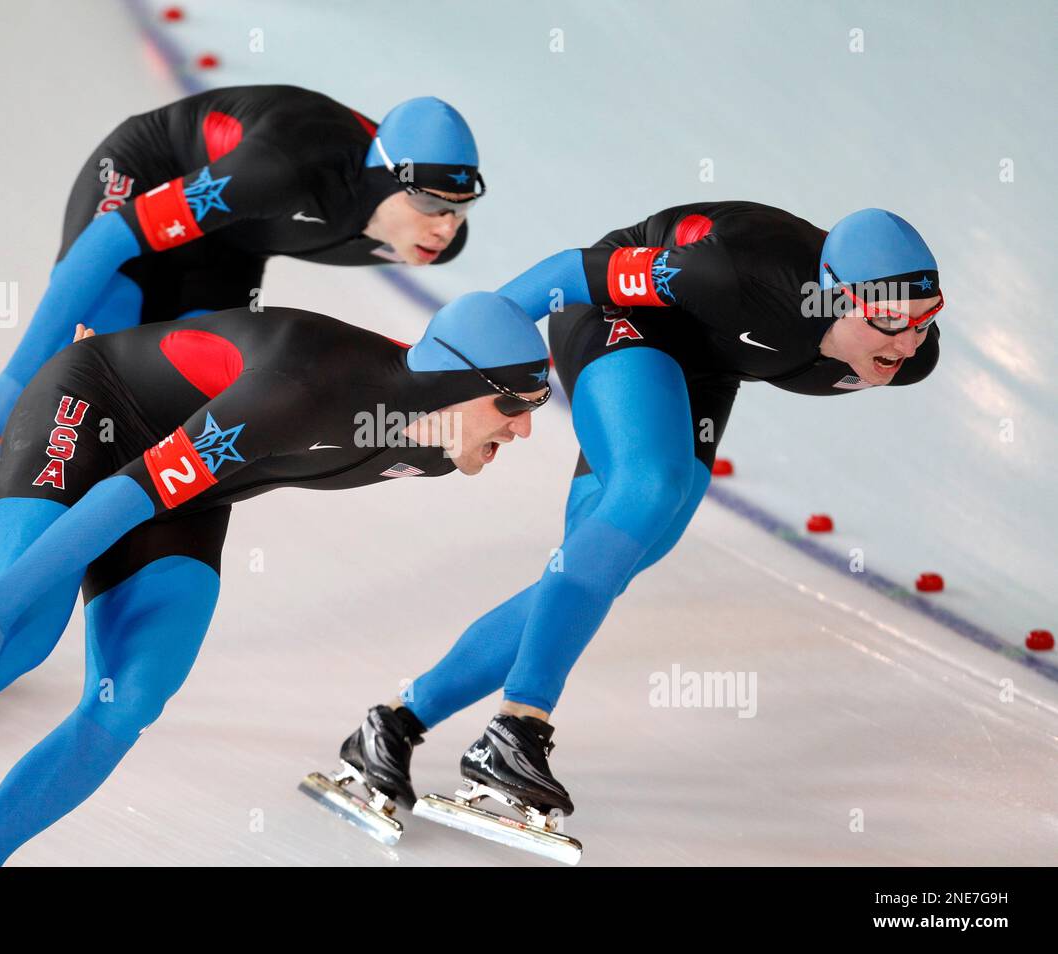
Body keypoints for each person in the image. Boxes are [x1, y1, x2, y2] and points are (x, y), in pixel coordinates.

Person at [0, 291, 550, 867]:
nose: (522, 428)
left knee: (130, 697)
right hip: (91, 414)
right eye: (513, 405)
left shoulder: (440, 439)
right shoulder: (307, 392)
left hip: (187, 486)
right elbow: (123, 493)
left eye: (537, 408)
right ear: (456, 383)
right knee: (8, 641)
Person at [329, 204, 944, 849]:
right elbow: (568, 273)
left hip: (707, 366)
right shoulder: (736, 277)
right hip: (621, 320)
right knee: (648, 488)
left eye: (925, 321)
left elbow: (890, 334)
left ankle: (393, 724)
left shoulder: (910, 348)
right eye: (887, 323)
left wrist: (900, 325)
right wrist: (444, 370)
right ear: (835, 297)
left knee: (611, 558)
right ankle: (516, 729)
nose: (907, 344)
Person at [0, 85, 485, 684]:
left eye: (459, 209)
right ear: (381, 178)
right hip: (145, 188)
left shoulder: (431, 234)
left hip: (228, 244)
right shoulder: (288, 166)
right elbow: (107, 244)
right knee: (61, 398)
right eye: (429, 205)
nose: (444, 227)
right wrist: (12, 378)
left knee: (166, 416)